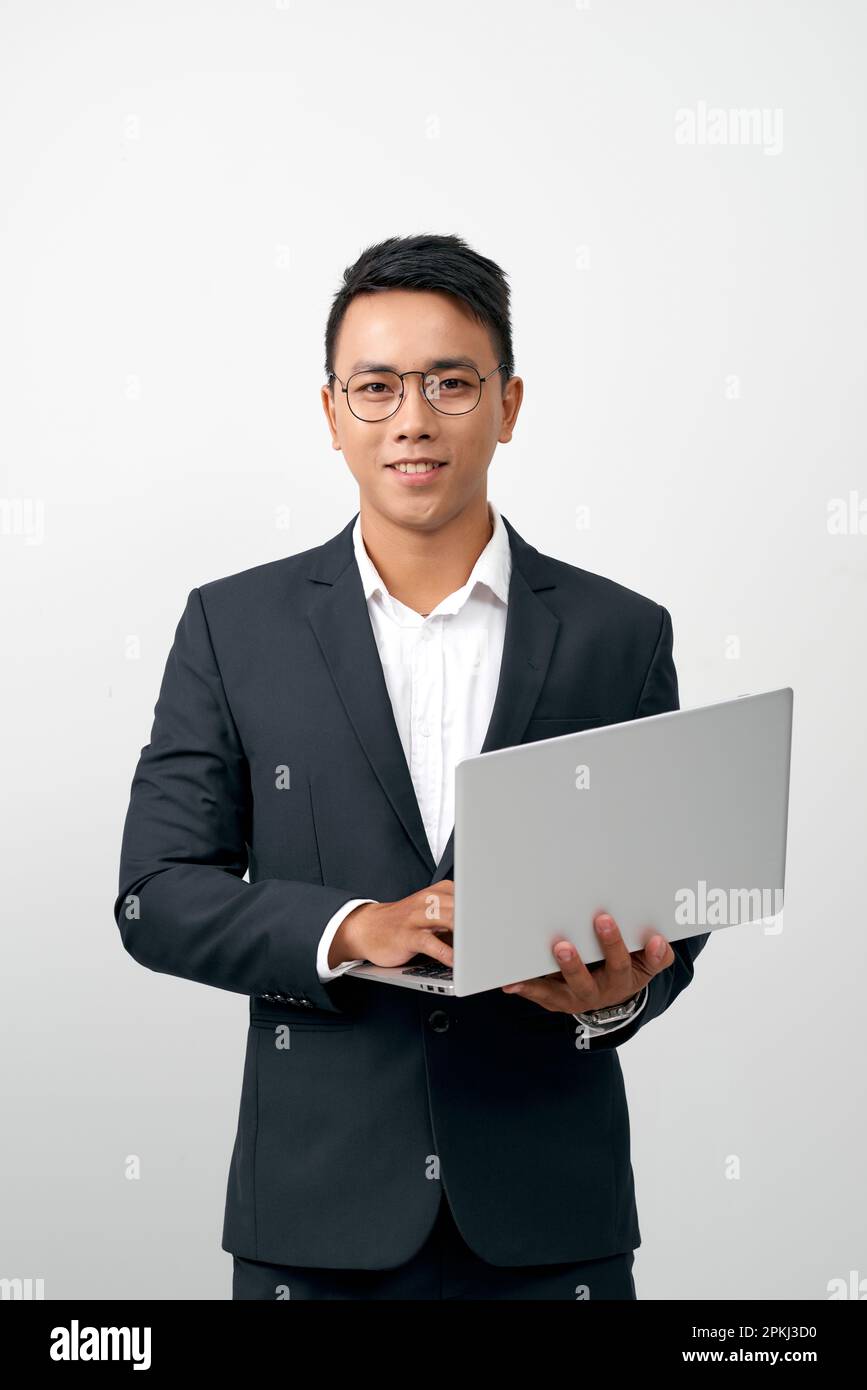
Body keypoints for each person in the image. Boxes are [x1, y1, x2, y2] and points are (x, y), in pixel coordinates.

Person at [114, 233, 709, 1300]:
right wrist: (357, 928)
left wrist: (613, 1000)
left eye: (450, 382)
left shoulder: (621, 633)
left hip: (550, 1223)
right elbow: (156, 895)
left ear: (509, 404)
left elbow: (673, 905)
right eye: (377, 386)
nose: (414, 419)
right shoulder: (232, 627)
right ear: (333, 412)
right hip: (315, 1224)